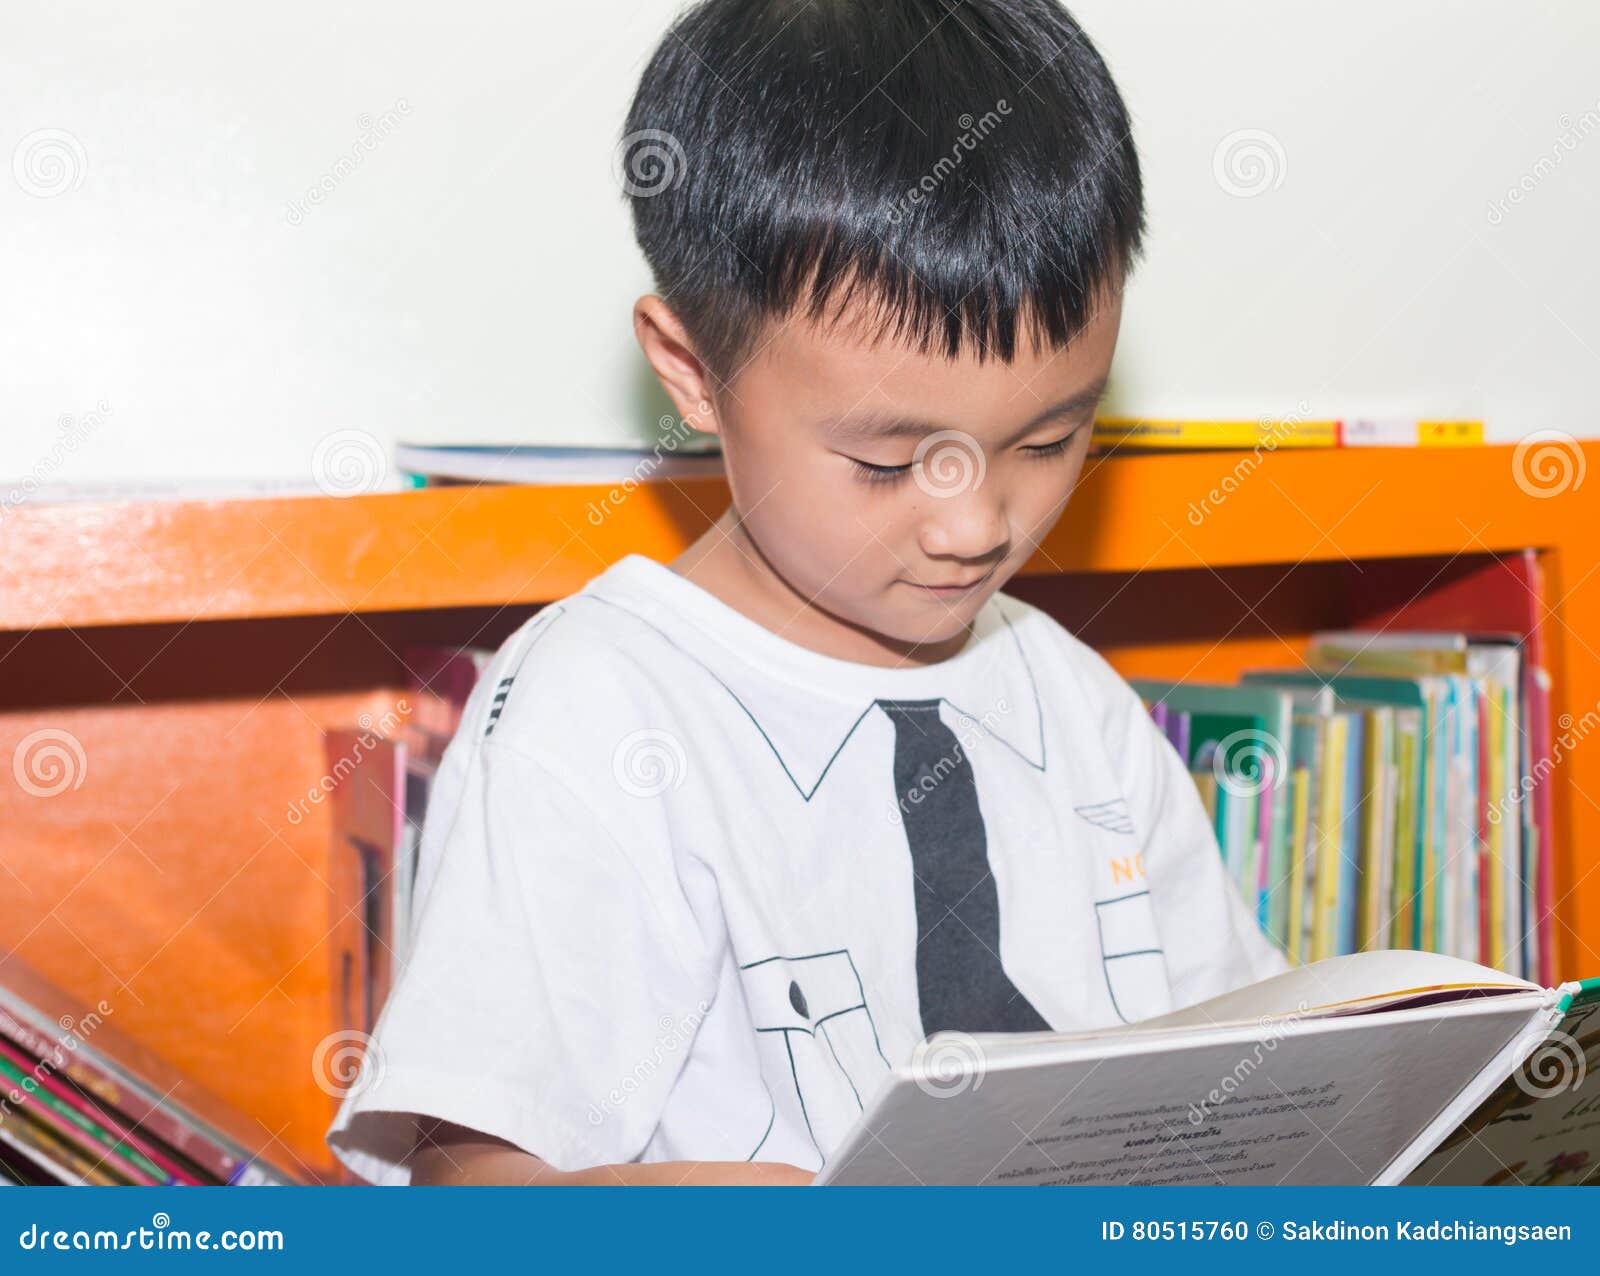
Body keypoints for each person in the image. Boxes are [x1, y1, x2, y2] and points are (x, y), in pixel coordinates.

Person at [328, 0, 1286, 1186]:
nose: (976, 524)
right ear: (690, 370)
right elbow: (474, 1197)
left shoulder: (1066, 695)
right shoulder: (602, 712)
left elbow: (1248, 1073)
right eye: (886, 462)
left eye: (1048, 439)